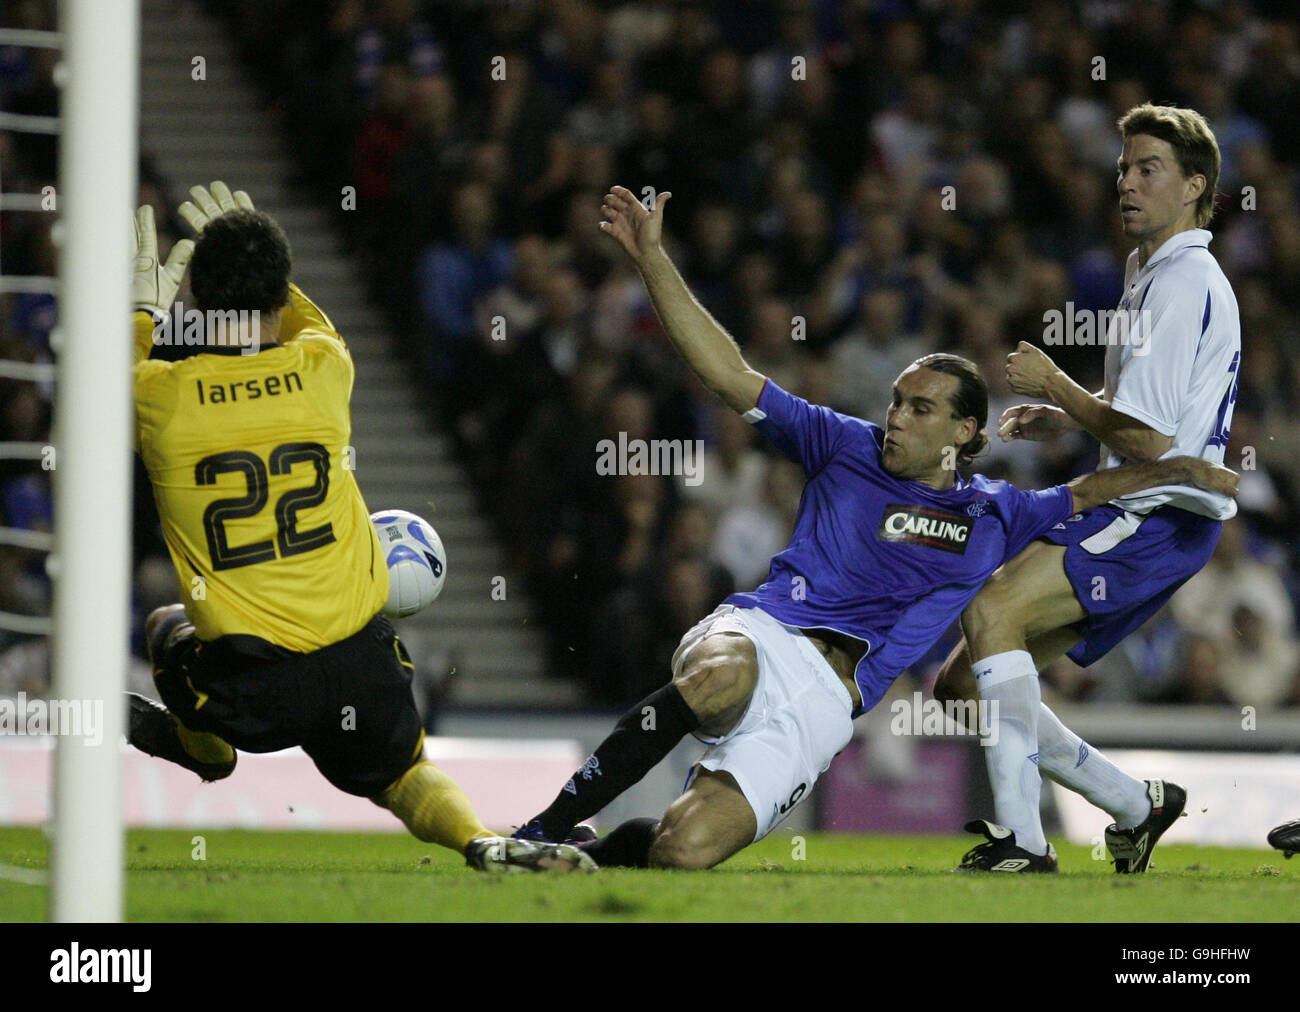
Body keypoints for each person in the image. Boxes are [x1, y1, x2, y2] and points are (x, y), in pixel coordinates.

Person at [512, 184, 1237, 871]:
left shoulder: (995, 510)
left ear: (962, 430)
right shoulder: (840, 442)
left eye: (920, 408)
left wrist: (1182, 472)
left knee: (683, 848)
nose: (896, 416)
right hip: (766, 634)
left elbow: (1091, 487)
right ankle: (540, 827)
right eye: (896, 401)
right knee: (717, 677)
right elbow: (727, 373)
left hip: (828, 706)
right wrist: (653, 262)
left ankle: (581, 853)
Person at [127, 181, 592, 874]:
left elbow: (122, 370)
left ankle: (207, 752)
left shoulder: (158, 400)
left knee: (165, 627)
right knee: (406, 776)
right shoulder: (325, 368)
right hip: (358, 658)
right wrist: (262, 258)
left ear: (195, 297)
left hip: (250, 687)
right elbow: (303, 319)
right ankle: (481, 842)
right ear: (280, 297)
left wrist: (143, 311)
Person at [933, 103, 1241, 873]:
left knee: (991, 608)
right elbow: (1133, 413)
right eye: (1123, 170)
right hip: (1133, 498)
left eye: (1149, 171)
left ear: (1195, 185)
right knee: (964, 679)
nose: (1127, 184)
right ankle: (1138, 807)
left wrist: (1057, 384)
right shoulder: (1149, 272)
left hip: (1155, 509)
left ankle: (1023, 844)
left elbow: (1150, 442)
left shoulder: (1184, 280)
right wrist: (1064, 417)